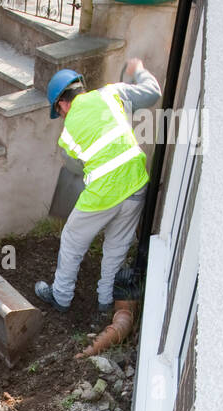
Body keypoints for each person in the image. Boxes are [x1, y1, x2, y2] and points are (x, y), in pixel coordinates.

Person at [34, 58, 161, 313]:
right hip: (137, 183)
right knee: (117, 246)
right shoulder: (113, 93)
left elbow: (78, 169)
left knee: (71, 239)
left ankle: (60, 296)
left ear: (62, 103)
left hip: (104, 194)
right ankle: (105, 302)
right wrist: (139, 71)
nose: (61, 115)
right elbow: (153, 93)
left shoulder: (66, 136)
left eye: (58, 111)